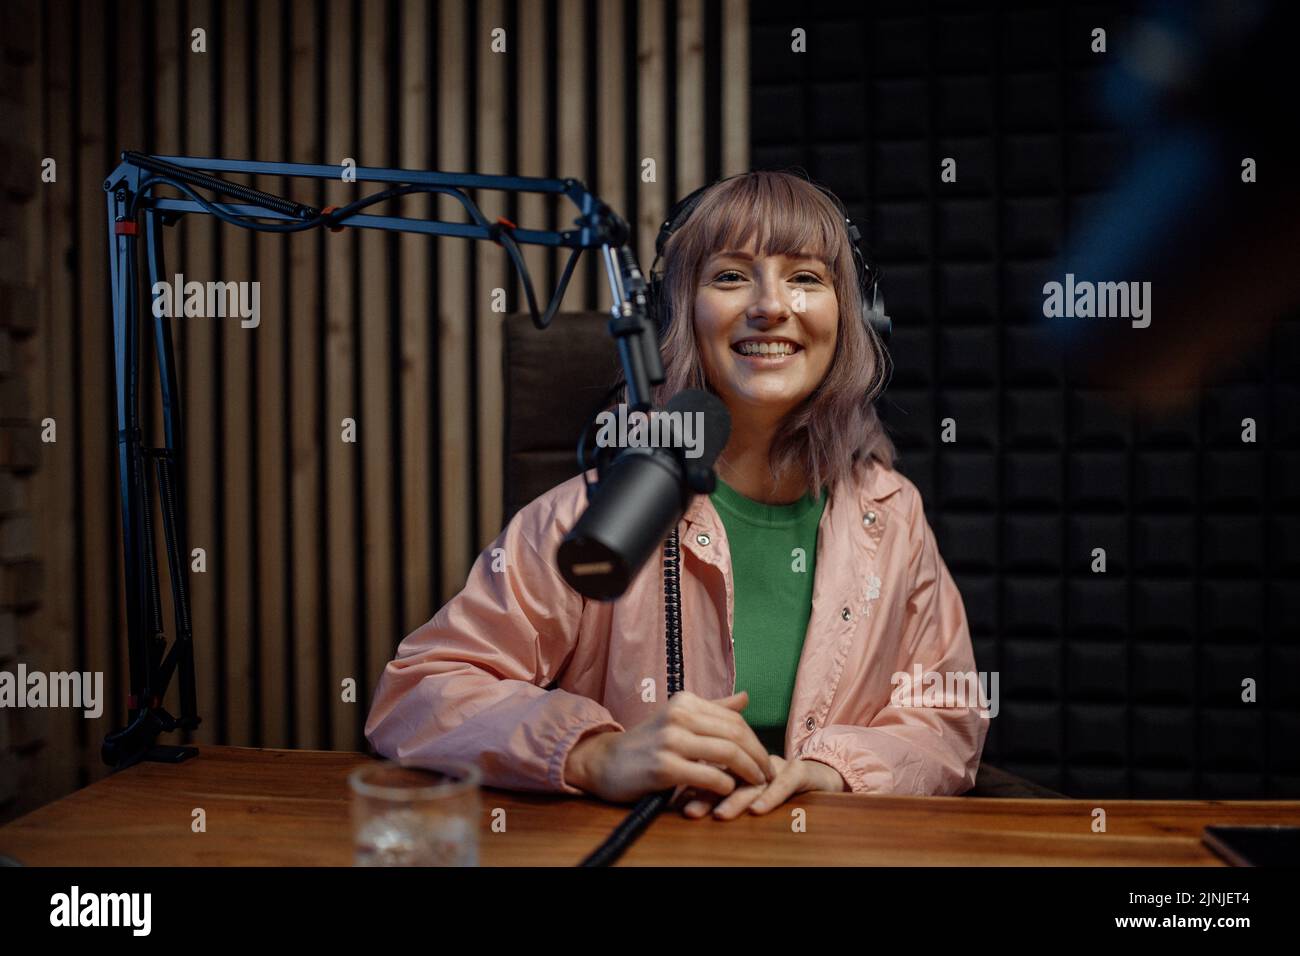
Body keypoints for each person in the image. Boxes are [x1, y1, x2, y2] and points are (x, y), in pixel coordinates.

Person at [365, 170, 987, 820]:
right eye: (730, 276)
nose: (771, 305)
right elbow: (419, 692)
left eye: (806, 277)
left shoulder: (892, 514)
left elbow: (948, 717)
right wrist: (590, 753)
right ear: (678, 311)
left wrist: (835, 770)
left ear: (855, 317)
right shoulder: (594, 513)